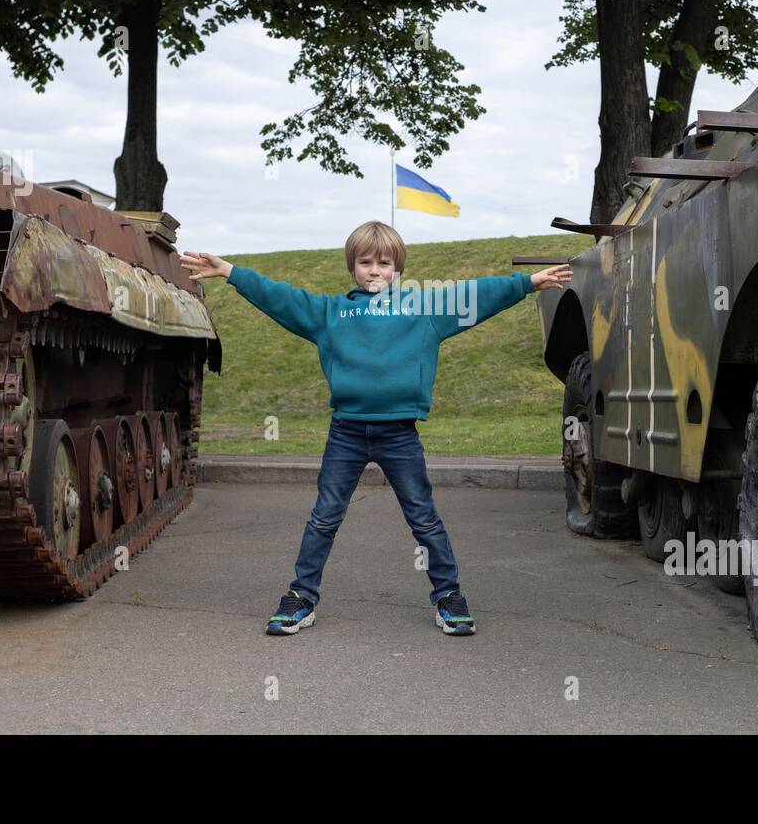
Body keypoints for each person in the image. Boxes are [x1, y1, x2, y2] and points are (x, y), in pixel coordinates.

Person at [179, 221, 571, 636]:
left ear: (396, 269)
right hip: (346, 432)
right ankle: (301, 597)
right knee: (324, 517)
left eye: (384, 264)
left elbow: (475, 294)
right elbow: (282, 298)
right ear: (352, 268)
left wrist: (526, 282)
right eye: (364, 263)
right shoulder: (329, 314)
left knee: (424, 519)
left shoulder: (423, 312)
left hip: (399, 435)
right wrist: (232, 272)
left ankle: (448, 596)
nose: (374, 271)